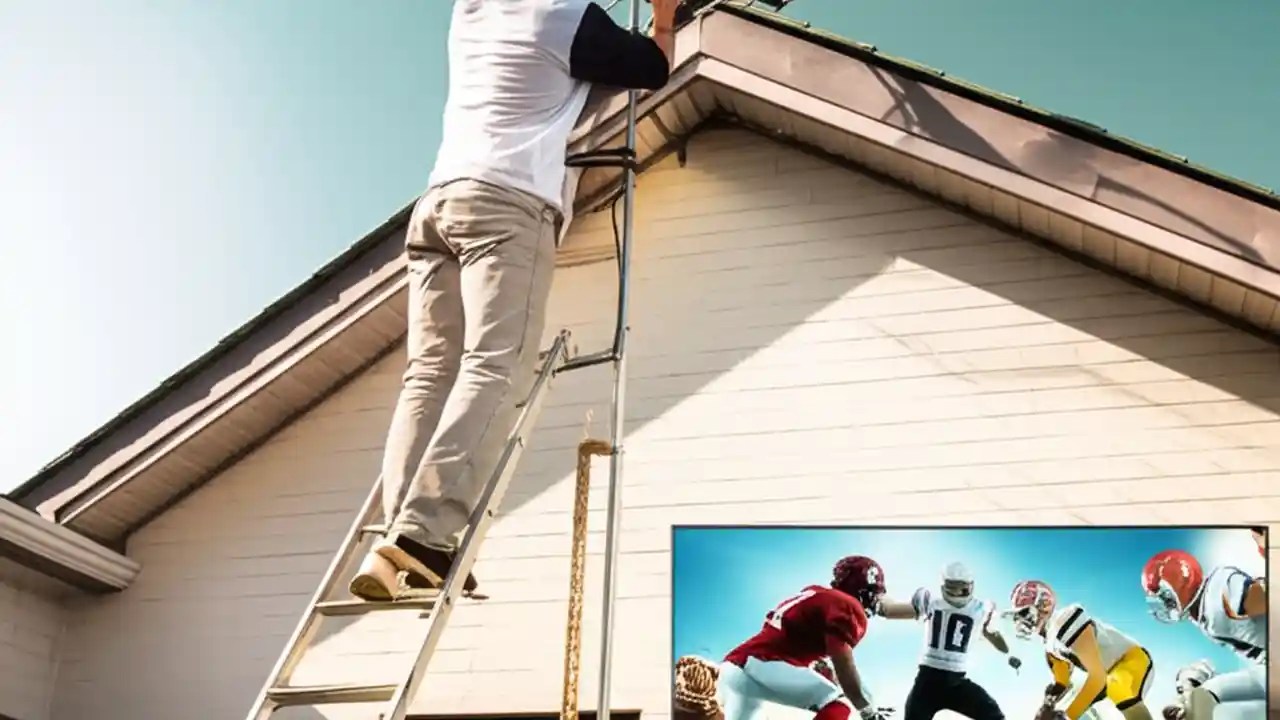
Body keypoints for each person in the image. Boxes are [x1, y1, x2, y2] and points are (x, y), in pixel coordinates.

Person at [348, 0, 681, 602]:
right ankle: (424, 534)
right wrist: (663, 18)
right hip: (506, 203)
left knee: (427, 375)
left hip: (437, 205)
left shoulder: (469, 10)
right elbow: (652, 68)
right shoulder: (566, 18)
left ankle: (395, 542)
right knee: (495, 364)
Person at [717, 555, 892, 720]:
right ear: (862, 589)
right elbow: (844, 669)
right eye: (873, 592)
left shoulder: (816, 594)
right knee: (840, 703)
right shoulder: (846, 605)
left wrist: (872, 704)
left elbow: (837, 673)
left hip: (736, 667)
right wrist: (867, 710)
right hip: (764, 664)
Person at [873, 561, 1016, 720]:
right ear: (943, 586)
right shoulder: (935, 602)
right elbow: (890, 611)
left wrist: (878, 598)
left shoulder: (980, 609)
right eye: (951, 588)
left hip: (954, 680)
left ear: (971, 586)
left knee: (993, 715)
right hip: (929, 679)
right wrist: (879, 599)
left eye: (961, 588)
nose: (956, 594)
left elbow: (888, 610)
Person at [1140, 549, 1267, 720]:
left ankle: (1188, 701)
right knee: (1193, 677)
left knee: (1205, 695)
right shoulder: (1204, 613)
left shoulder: (1218, 594)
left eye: (1165, 596)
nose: (1165, 604)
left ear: (1183, 580)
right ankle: (1186, 698)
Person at [1004, 580, 1156, 720]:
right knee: (1069, 701)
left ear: (1044, 603)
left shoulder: (1065, 621)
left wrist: (1067, 717)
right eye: (1018, 616)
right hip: (1107, 675)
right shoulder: (1050, 645)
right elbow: (1062, 683)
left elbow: (1098, 678)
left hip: (1132, 660)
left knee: (1116, 686)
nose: (1021, 621)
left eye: (1024, 613)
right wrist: (1047, 705)